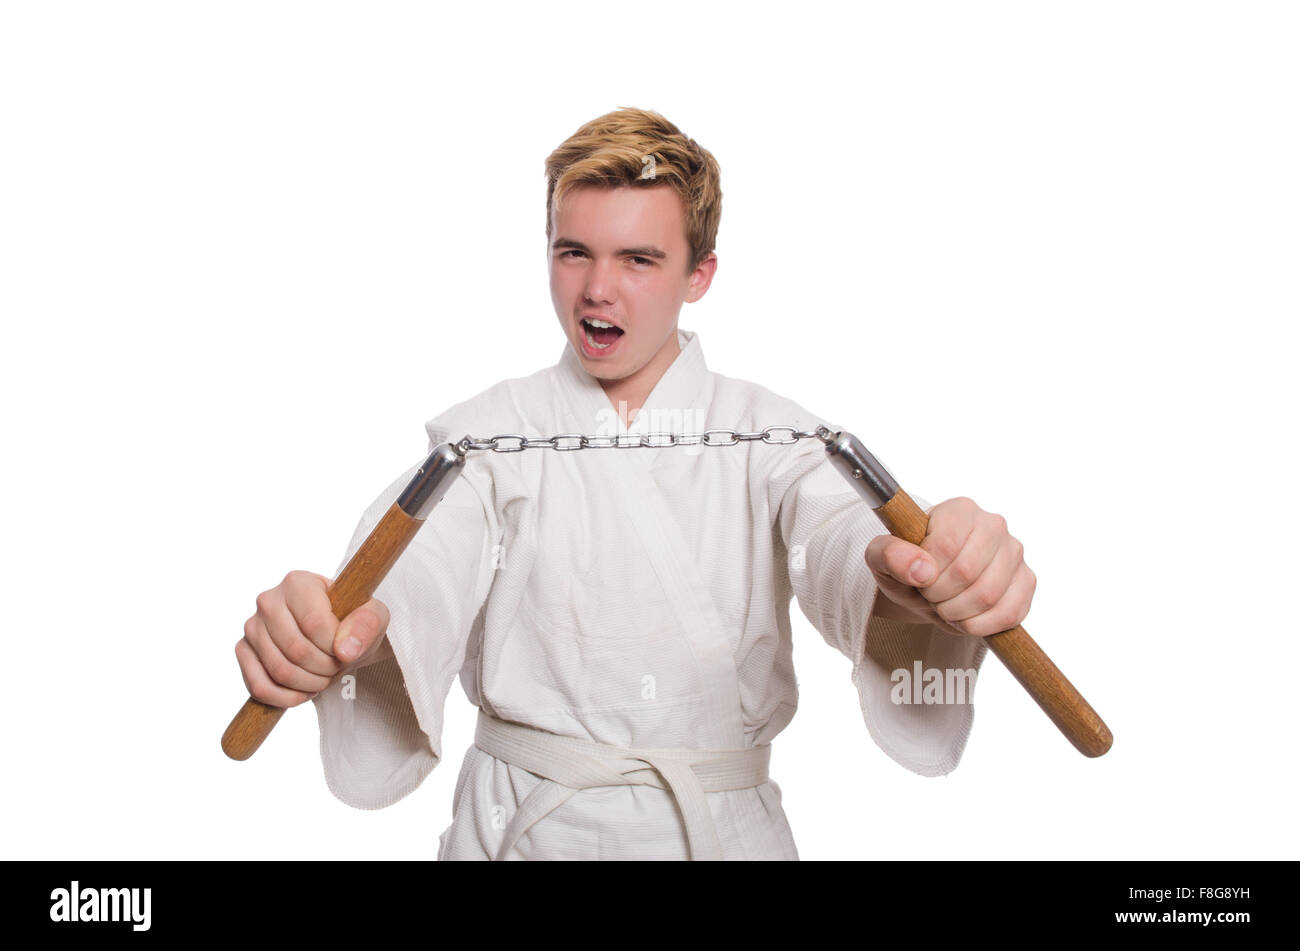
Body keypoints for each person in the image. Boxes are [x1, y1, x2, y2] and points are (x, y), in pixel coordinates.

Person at [233, 107, 1036, 860]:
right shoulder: (486, 433)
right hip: (525, 826)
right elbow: (418, 569)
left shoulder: (774, 436)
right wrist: (348, 631)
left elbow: (841, 542)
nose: (595, 290)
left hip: (718, 830)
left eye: (638, 259)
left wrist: (920, 580)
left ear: (700, 274)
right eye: (572, 251)